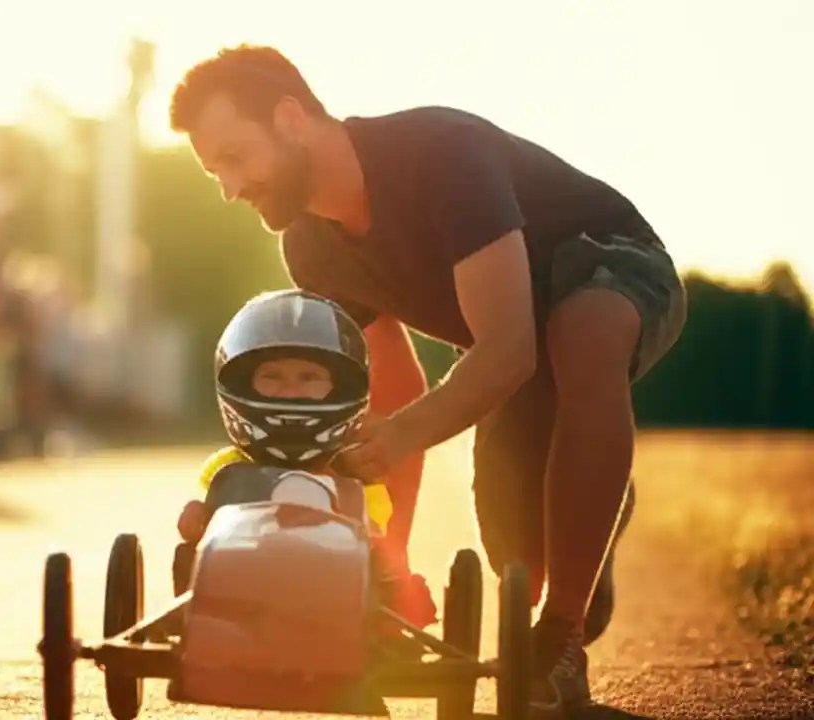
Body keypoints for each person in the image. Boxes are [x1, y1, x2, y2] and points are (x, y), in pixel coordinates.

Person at [168, 45, 688, 715]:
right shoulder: (310, 245)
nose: (230, 188)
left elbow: (507, 352)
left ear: (290, 119)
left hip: (614, 267)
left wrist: (401, 434)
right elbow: (394, 399)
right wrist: (383, 573)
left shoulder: (440, 156)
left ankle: (561, 638)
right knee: (515, 563)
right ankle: (595, 511)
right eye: (215, 171)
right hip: (524, 338)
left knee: (579, 335)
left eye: (235, 158)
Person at [176, 288, 438, 630]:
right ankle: (187, 627)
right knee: (187, 555)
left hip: (336, 598)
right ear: (243, 384)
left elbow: (376, 530)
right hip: (239, 587)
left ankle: (385, 633)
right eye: (272, 377)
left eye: (309, 378)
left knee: (389, 571)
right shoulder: (227, 469)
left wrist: (373, 544)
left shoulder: (356, 475)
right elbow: (198, 521)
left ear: (342, 388)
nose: (290, 392)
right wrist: (196, 516)